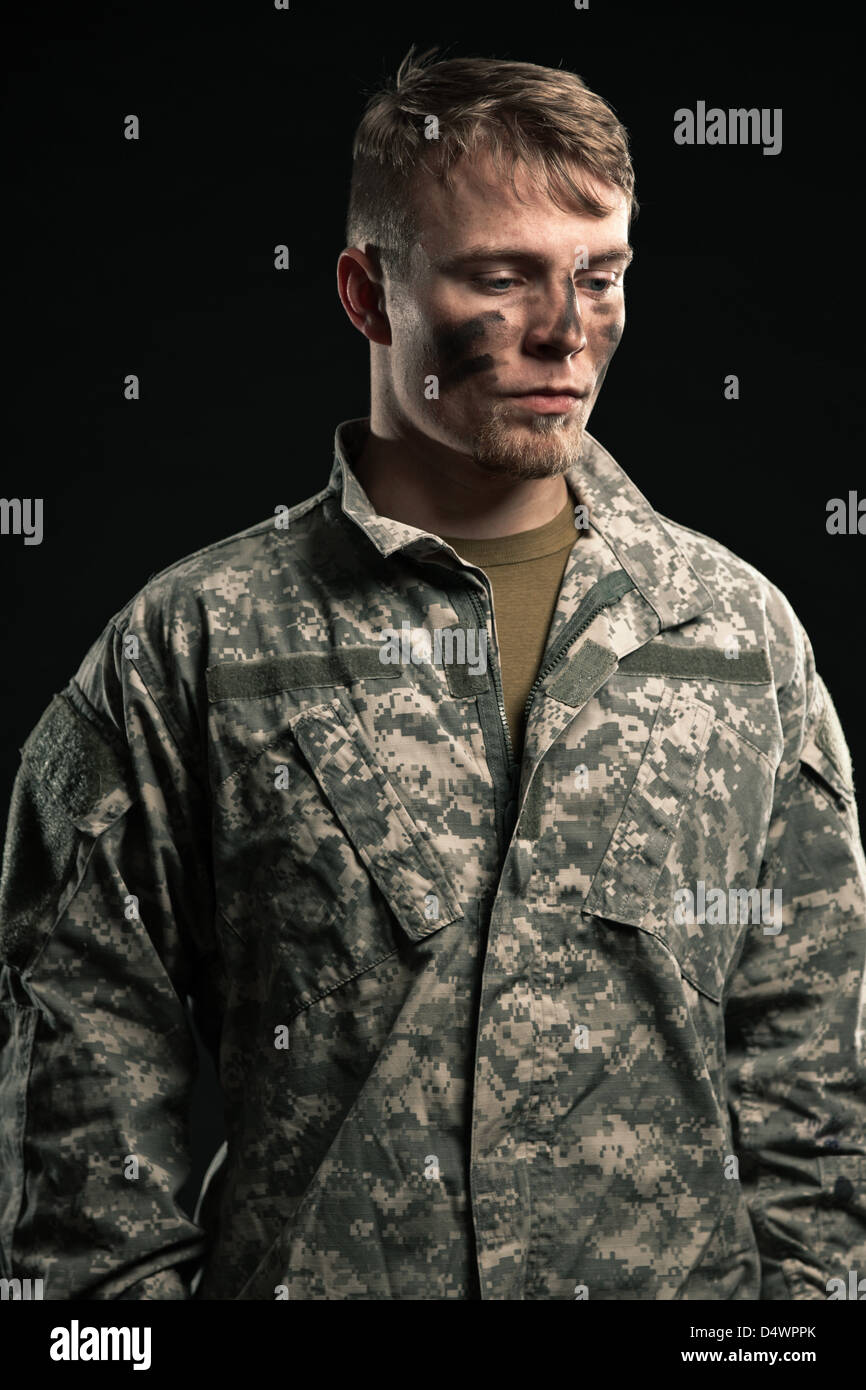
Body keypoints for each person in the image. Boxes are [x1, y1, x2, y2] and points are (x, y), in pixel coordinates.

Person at [1, 46, 864, 1301]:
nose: (566, 332)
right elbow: (78, 1096)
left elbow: (814, 1085)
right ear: (365, 292)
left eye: (600, 275)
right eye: (501, 277)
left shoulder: (738, 642)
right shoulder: (191, 647)